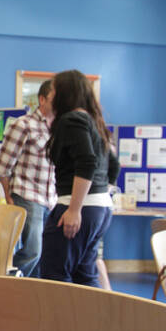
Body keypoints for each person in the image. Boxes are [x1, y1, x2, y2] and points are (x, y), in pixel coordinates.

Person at [39, 69, 114, 287]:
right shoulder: (93, 121)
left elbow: (87, 162)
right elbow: (113, 165)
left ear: (65, 93)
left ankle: (61, 322)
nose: (50, 95)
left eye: (53, 90)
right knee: (85, 275)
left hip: (79, 207)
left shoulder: (71, 120)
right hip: (100, 208)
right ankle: (94, 321)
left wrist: (74, 209)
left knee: (55, 277)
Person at [0, 79, 55, 277]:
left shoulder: (58, 130)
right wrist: (9, 195)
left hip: (50, 201)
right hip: (28, 196)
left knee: (45, 254)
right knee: (32, 251)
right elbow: (3, 165)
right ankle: (3, 284)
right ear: (42, 99)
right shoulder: (24, 125)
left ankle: (28, 298)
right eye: (55, 98)